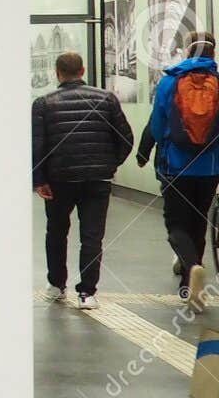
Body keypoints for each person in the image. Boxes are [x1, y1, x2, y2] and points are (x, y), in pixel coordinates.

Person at [32, 49, 134, 309]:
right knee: (92, 236)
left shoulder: (44, 104)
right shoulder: (106, 99)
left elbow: (36, 147)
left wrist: (39, 180)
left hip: (58, 181)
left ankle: (56, 284)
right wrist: (109, 165)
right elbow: (125, 139)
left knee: (56, 232)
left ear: (57, 73)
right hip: (97, 180)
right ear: (83, 72)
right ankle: (87, 293)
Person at [138, 31, 219, 300]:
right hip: (210, 168)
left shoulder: (170, 82)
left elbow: (158, 125)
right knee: (198, 220)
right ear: (213, 53)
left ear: (187, 51)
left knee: (176, 224)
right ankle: (188, 285)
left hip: (175, 166)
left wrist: (155, 149)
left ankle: (192, 269)